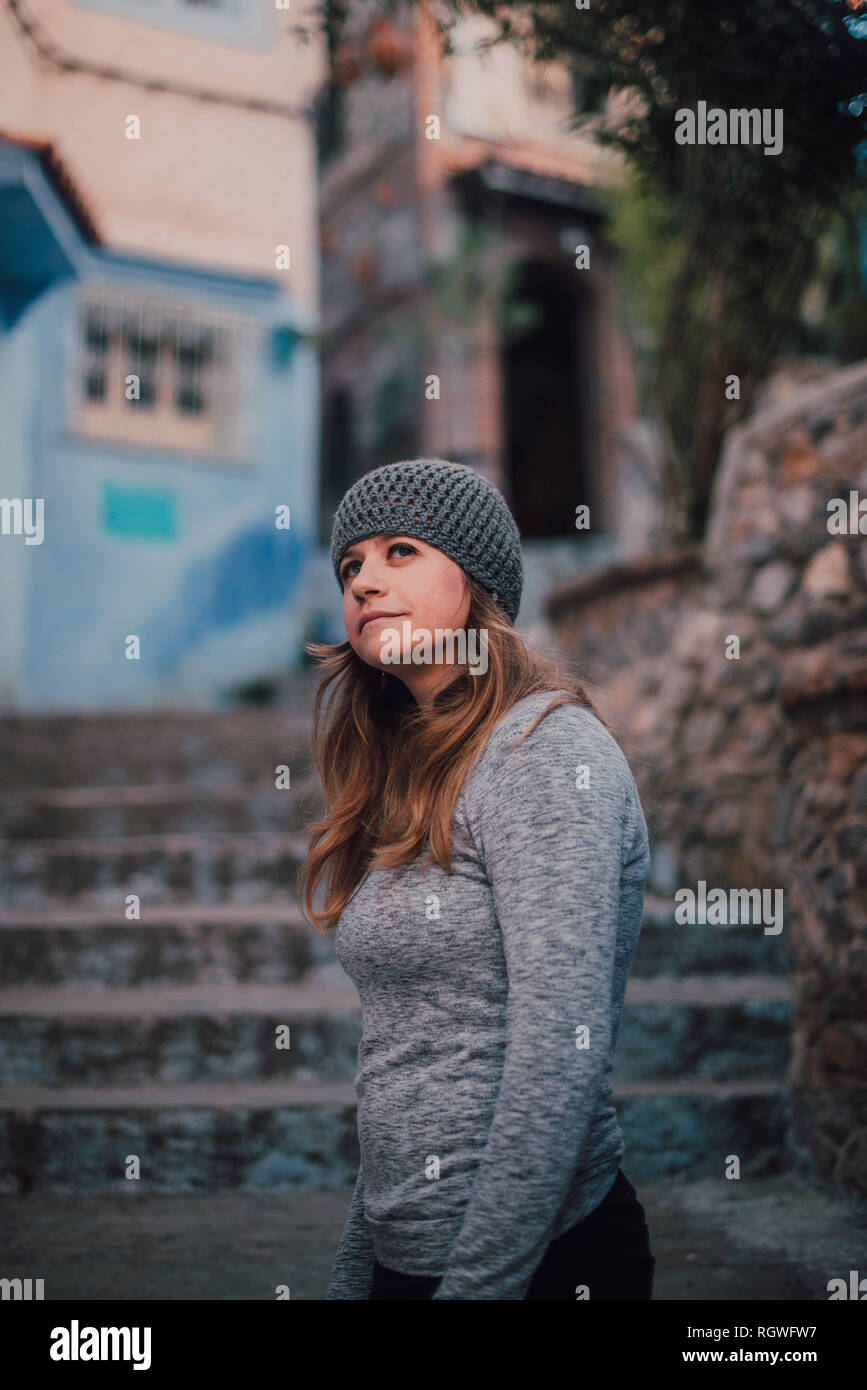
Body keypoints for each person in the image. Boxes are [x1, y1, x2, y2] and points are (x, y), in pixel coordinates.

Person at [298, 456, 655, 1301]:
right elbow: (408, 1059)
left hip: (542, 1261)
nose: (363, 581)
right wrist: (360, 1274)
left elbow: (555, 1058)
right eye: (349, 565)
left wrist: (478, 1286)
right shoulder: (406, 776)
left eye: (399, 553)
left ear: (478, 580)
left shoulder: (544, 754)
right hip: (409, 1258)